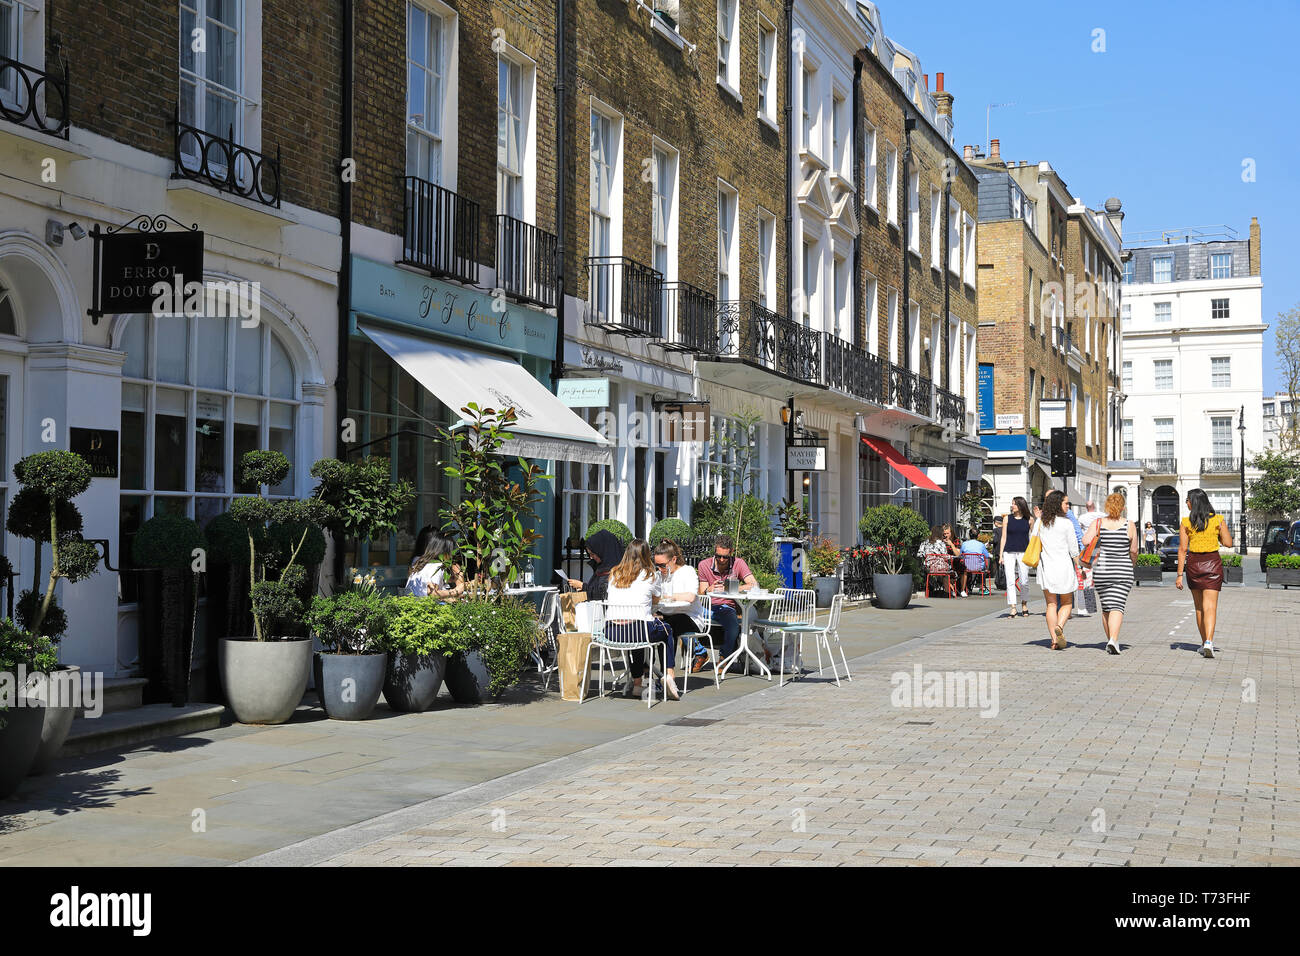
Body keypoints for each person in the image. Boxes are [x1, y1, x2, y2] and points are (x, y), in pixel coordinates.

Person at [605, 538, 679, 699]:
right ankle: (669, 675)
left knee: (636, 635)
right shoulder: (650, 574)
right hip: (638, 629)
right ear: (647, 556)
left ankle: (637, 685)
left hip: (611, 631)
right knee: (667, 629)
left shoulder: (614, 573)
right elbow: (656, 598)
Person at [1177, 488, 1233, 658]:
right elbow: (1228, 543)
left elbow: (1182, 549)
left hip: (1194, 565)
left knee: (1199, 608)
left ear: (1193, 502)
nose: (1186, 502)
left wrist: (1179, 574)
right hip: (1213, 565)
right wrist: (1219, 533)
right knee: (1211, 607)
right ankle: (1209, 641)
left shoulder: (1186, 522)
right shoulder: (1218, 520)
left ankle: (1204, 643)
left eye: (1187, 500)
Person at [1085, 492, 1136, 655]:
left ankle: (1112, 640)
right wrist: (1132, 564)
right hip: (1123, 570)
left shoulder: (1098, 522)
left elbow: (1086, 541)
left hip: (1102, 570)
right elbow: (1133, 550)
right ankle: (1113, 639)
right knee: (1117, 605)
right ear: (1123, 507)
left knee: (1107, 606)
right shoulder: (1129, 524)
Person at [697, 534, 758, 661]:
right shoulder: (704, 565)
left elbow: (753, 584)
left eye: (725, 556)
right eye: (718, 556)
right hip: (707, 606)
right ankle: (700, 653)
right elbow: (701, 593)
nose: (722, 560)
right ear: (715, 551)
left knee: (733, 626)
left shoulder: (738, 563)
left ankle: (724, 657)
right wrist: (709, 589)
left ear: (731, 552)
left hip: (726, 607)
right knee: (683, 618)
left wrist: (731, 587)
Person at [652, 539, 709, 673]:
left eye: (663, 565)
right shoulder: (659, 575)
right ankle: (645, 672)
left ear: (674, 559)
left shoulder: (687, 572)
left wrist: (670, 597)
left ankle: (666, 673)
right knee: (647, 625)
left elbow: (690, 597)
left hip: (690, 616)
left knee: (666, 628)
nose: (660, 569)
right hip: (667, 614)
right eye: (657, 565)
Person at [1035, 489, 1081, 650]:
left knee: (1051, 605)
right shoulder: (1067, 523)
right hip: (1064, 567)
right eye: (1066, 503)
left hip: (1046, 567)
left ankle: (1054, 639)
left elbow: (1032, 541)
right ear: (1058, 504)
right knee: (1067, 603)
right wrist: (1080, 566)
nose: (1068, 505)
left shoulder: (1040, 522)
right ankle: (1060, 627)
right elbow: (1074, 549)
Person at [567, 528, 624, 604]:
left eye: (593, 554)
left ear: (601, 550)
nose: (591, 557)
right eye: (589, 554)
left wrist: (582, 586)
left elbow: (603, 594)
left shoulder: (613, 569)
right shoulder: (603, 566)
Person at [405, 531, 465, 600]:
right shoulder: (438, 566)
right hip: (423, 606)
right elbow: (432, 594)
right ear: (446, 551)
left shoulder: (419, 561)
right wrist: (455, 591)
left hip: (410, 603)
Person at [1000, 497, 1032, 618]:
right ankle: (1013, 607)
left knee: (1024, 580)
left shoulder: (1029, 520)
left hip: (1024, 552)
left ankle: (1024, 603)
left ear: (1020, 505)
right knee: (1010, 580)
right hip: (1009, 552)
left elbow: (1034, 537)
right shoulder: (1007, 519)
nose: (1012, 506)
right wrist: (1001, 555)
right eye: (1012, 504)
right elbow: (1003, 537)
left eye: (1014, 504)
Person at [1061, 495, 1088, 616]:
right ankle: (1063, 608)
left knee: (1073, 579)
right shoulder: (1047, 516)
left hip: (1070, 551)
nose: (1068, 506)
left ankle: (1071, 608)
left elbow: (1077, 531)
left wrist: (1083, 550)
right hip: (1055, 553)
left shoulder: (1069, 514)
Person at [958, 527, 991, 597]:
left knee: (965, 570)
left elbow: (961, 554)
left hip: (967, 567)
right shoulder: (981, 545)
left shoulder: (964, 544)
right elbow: (987, 556)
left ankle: (963, 589)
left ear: (969, 535)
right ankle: (981, 587)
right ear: (978, 535)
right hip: (978, 567)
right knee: (985, 564)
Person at [991, 516, 1005, 591]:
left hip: (997, 551)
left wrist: (990, 542)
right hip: (1005, 551)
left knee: (998, 568)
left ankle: (1000, 583)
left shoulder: (995, 530)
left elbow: (995, 540)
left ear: (996, 523)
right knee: (1004, 568)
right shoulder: (1005, 529)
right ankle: (1005, 583)